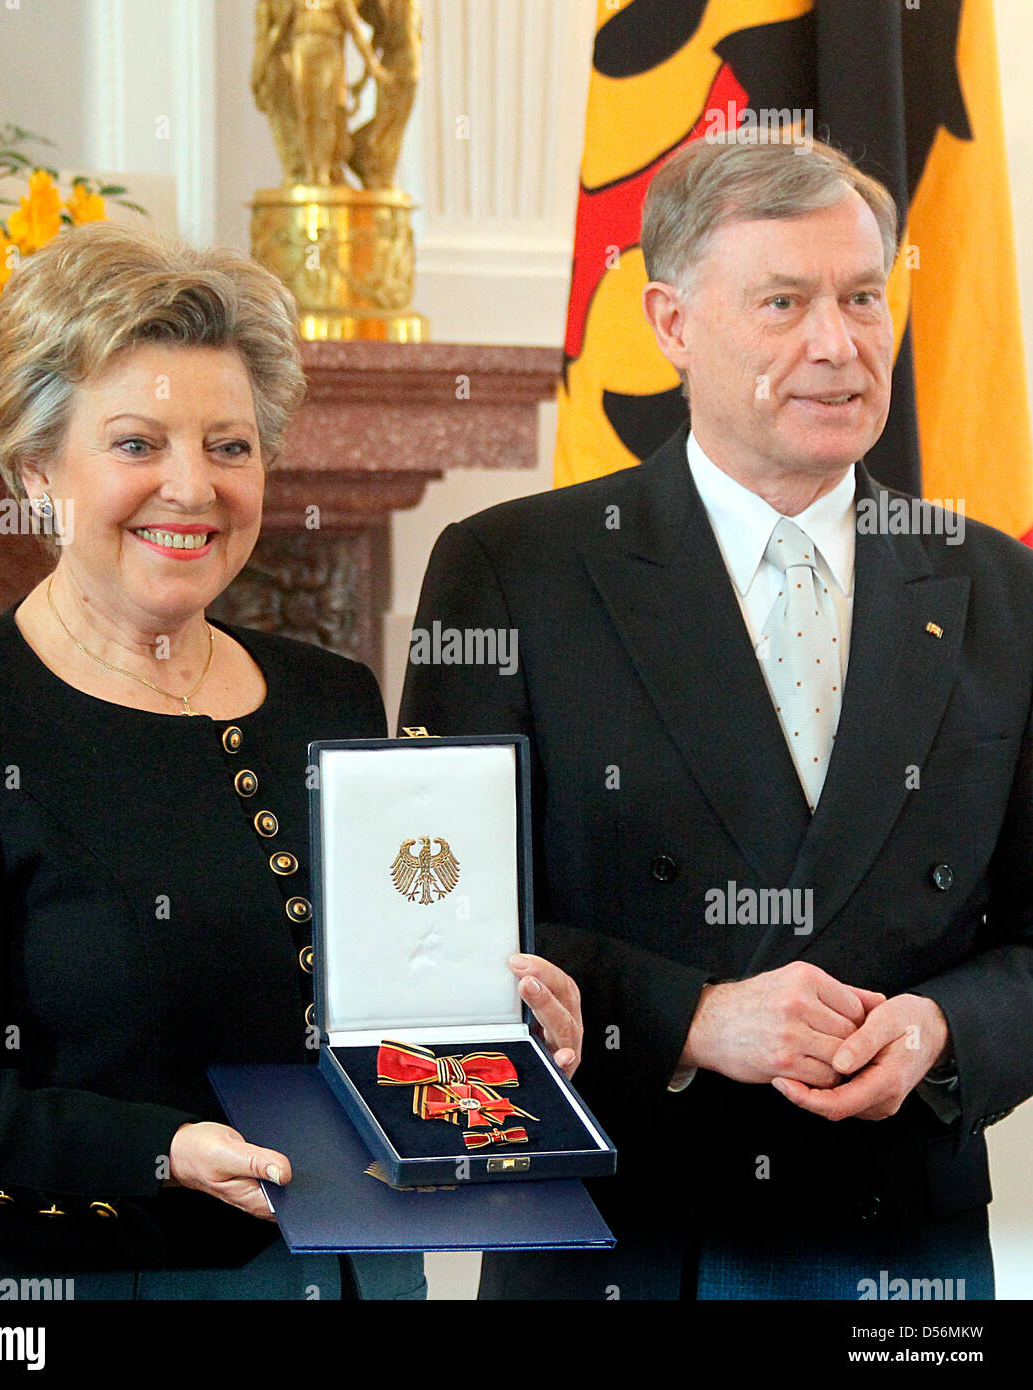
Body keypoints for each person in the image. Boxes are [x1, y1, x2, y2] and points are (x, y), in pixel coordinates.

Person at [399, 132, 1033, 1300]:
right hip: (625, 1233)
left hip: (897, 1248)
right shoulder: (514, 571)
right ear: (671, 322)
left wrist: (945, 1031)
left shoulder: (999, 586)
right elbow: (432, 927)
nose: (835, 346)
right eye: (782, 301)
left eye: (857, 297)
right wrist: (687, 1018)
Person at [0, 220, 433, 1299]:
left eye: (229, 446)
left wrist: (501, 1022)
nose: (192, 488)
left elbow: (391, 998)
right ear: (38, 467)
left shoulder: (333, 694)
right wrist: (163, 1148)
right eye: (137, 444)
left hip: (350, 1271)